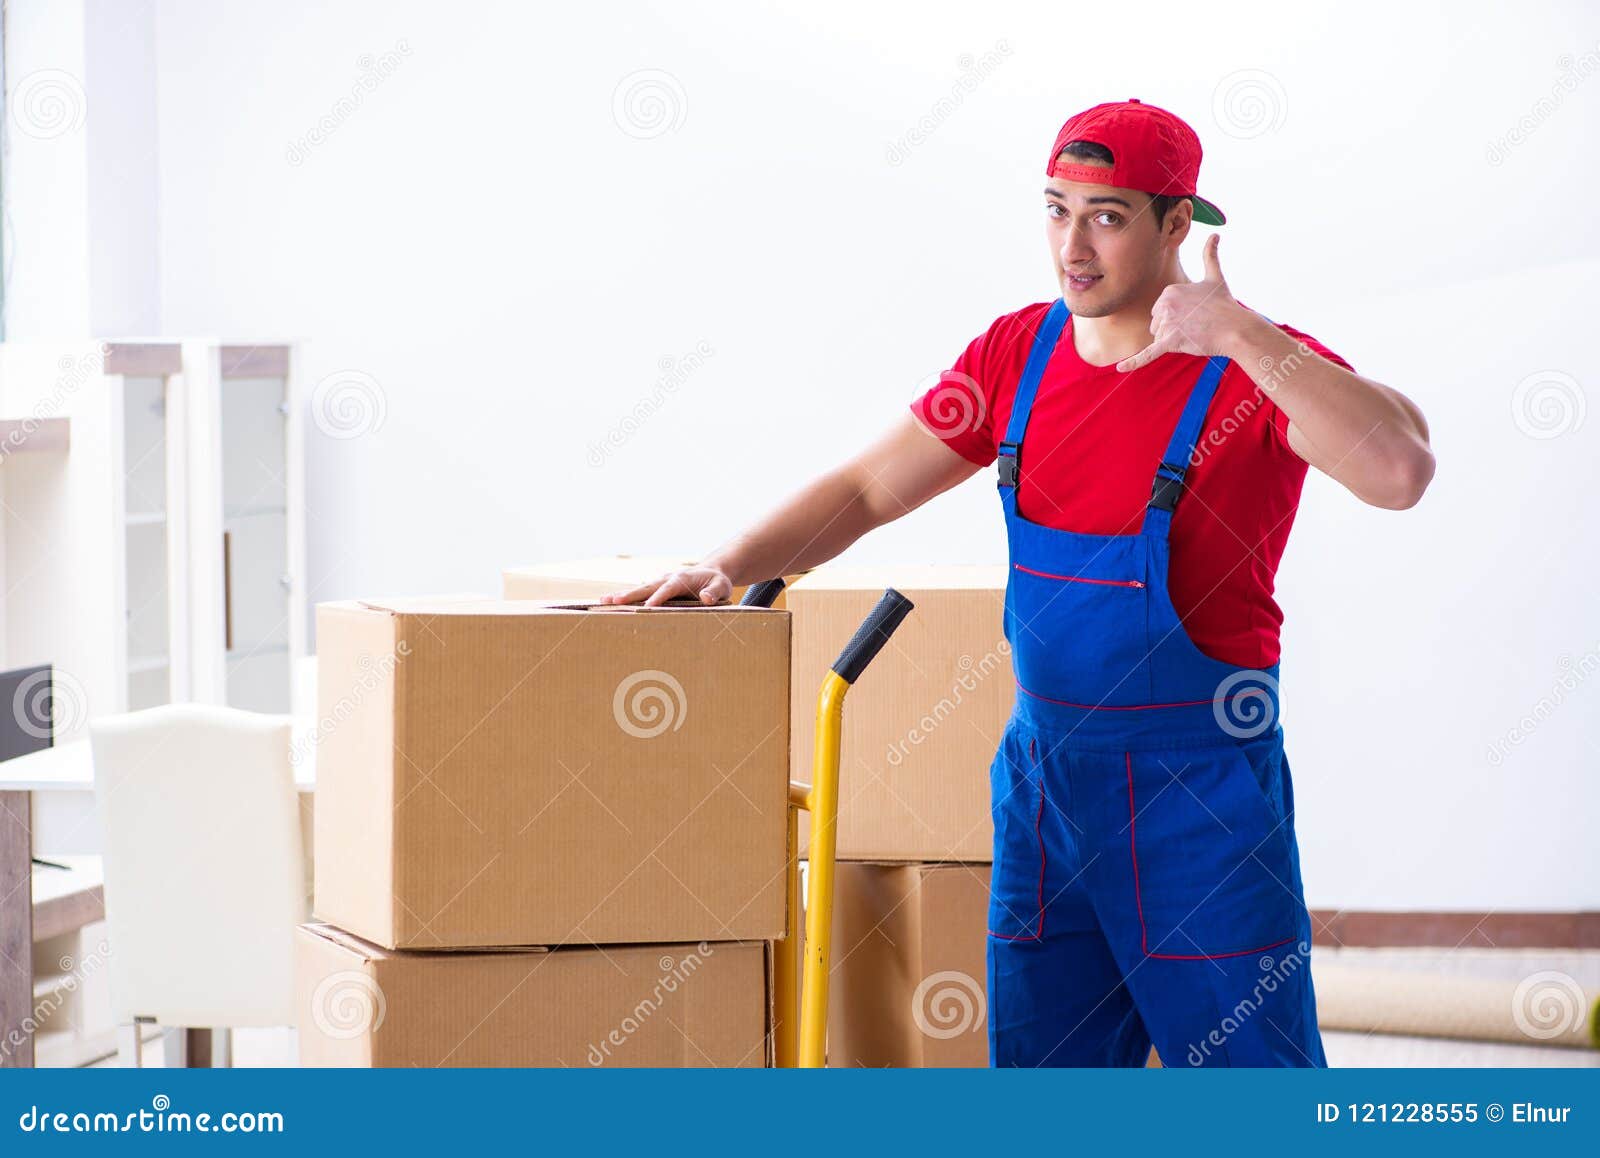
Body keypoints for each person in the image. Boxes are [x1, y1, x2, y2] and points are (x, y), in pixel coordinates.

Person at [602, 99, 1434, 1067]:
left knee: (1251, 1085)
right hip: (1046, 793)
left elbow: (1399, 472)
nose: (1072, 246)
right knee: (1046, 1081)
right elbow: (869, 486)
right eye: (1055, 209)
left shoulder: (1249, 371)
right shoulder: (1018, 356)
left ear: (1178, 224)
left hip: (1199, 797)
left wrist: (1241, 332)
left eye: (1108, 216)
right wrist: (732, 563)